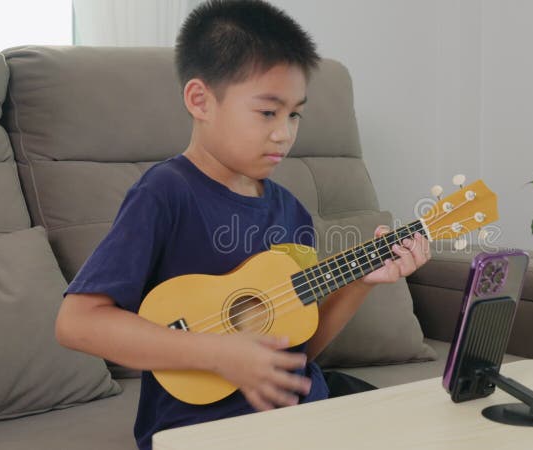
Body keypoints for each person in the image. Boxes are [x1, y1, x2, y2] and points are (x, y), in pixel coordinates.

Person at [54, 1, 430, 449]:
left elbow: (294, 350)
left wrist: (361, 283)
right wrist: (217, 354)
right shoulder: (165, 194)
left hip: (302, 415)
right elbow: (76, 323)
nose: (284, 134)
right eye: (268, 112)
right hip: (202, 433)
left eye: (294, 114)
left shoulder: (290, 211)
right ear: (200, 100)